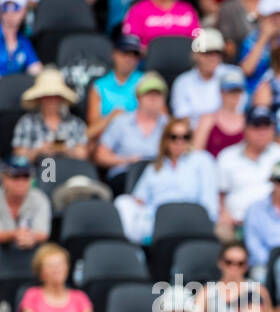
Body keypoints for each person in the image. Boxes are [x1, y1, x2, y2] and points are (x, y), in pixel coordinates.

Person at [117, 115, 220, 243]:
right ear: (165, 140)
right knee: (122, 202)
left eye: (185, 137)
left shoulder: (202, 160)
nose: (179, 142)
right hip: (156, 220)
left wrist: (205, 224)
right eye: (174, 137)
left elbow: (209, 201)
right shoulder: (154, 167)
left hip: (188, 220)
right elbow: (140, 198)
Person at [216, 104, 280, 237]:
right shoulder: (227, 156)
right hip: (237, 223)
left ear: (273, 130)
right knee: (221, 232)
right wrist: (224, 215)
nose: (262, 132)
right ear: (246, 129)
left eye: (266, 127)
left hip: (277, 222)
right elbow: (219, 196)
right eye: (256, 127)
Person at [94, 72, 169, 186]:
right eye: (149, 94)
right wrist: (128, 161)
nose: (153, 99)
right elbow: (101, 156)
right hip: (125, 175)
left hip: (160, 177)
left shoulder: (169, 125)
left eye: (158, 94)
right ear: (139, 98)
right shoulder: (121, 122)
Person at [11, 69, 88, 162]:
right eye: (47, 97)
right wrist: (38, 151)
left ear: (61, 98)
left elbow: (84, 155)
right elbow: (18, 159)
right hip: (37, 173)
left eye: (55, 96)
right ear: (39, 98)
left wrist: (66, 150)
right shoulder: (26, 123)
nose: (51, 101)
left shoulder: (75, 123)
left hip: (68, 172)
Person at [20, 242, 99, 312]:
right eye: (51, 265)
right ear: (40, 272)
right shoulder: (32, 295)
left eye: (60, 264)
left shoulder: (79, 297)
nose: (57, 269)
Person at [171, 28, 240, 122]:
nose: (213, 58)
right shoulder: (182, 82)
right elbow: (182, 119)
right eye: (207, 53)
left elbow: (239, 110)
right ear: (195, 55)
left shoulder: (234, 74)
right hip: (194, 133)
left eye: (217, 53)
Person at [87, 34, 146, 141]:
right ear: (114, 54)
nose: (130, 59)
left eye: (135, 55)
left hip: (140, 138)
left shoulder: (145, 82)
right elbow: (92, 129)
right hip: (107, 140)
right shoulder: (99, 86)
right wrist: (112, 117)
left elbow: (161, 117)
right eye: (125, 53)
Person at [195, 239, 254, 312]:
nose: (234, 267)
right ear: (220, 263)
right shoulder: (208, 291)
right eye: (229, 262)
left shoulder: (257, 290)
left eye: (240, 263)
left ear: (246, 266)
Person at [0, 156, 49, 250]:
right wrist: (16, 234)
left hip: (31, 252)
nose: (21, 182)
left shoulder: (39, 198)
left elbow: (43, 233)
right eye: (15, 176)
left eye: (26, 176)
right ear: (4, 178)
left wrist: (29, 236)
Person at [195, 71, 248, 156]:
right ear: (221, 92)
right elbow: (196, 152)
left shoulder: (247, 121)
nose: (234, 95)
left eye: (237, 91)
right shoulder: (207, 120)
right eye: (230, 91)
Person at [240, 0, 280, 88]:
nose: (276, 20)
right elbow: (246, 70)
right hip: (254, 93)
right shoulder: (251, 39)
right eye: (272, 16)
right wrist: (263, 38)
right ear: (262, 18)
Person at [122, 0, 203, 49]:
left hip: (186, 68)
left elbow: (199, 40)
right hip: (148, 68)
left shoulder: (187, 9)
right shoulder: (138, 10)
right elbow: (131, 44)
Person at [0, 0, 39, 77]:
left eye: (15, 8)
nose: (10, 13)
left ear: (23, 12)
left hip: (14, 87)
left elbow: (35, 67)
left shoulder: (24, 42)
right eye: (5, 8)